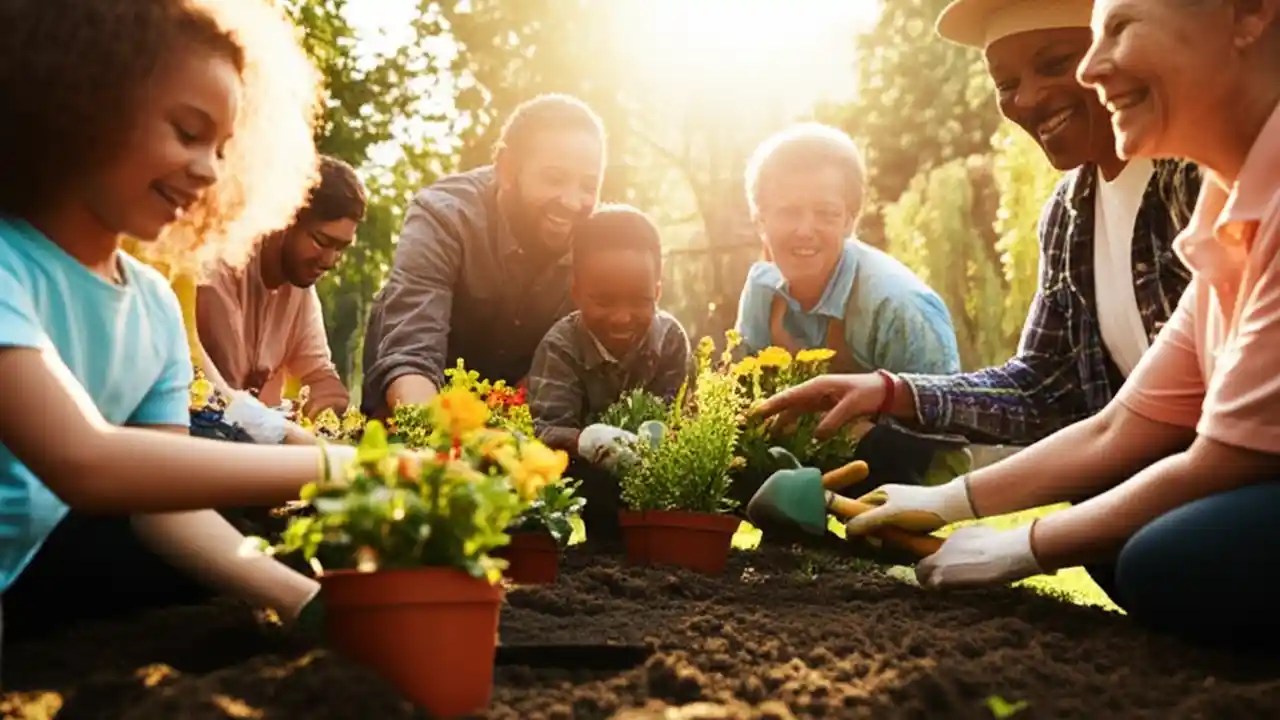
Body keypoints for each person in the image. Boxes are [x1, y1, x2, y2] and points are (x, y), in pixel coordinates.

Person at [828, 0, 1280, 650]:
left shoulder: (1196, 179)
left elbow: (1227, 455)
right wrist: (944, 492)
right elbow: (1109, 416)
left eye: (1115, 32)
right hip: (1216, 479)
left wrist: (1022, 548)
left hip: (1237, 478)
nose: (1097, 69)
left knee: (1168, 558)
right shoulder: (1189, 205)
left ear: (1248, 15)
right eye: (1006, 84)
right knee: (1128, 532)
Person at [0, 0, 358, 648]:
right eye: (188, 133)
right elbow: (84, 461)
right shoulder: (7, 266)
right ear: (80, 100)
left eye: (224, 148)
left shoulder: (156, 305)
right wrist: (345, 468)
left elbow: (167, 514)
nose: (211, 170)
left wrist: (304, 601)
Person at [753, 0, 1200, 459]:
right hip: (1142, 494)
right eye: (1006, 84)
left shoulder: (1191, 178)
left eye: (1054, 64)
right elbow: (1040, 388)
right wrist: (888, 391)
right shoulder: (1067, 217)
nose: (1025, 98)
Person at [360, 94, 607, 418]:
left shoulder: (593, 238)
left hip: (514, 416)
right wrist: (439, 439)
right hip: (415, 404)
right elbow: (411, 356)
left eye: (589, 185)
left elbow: (572, 362)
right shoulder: (443, 217)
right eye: (554, 178)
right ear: (507, 169)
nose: (574, 202)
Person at [734, 122, 962, 376]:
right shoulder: (762, 292)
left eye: (826, 213)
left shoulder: (902, 310)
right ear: (760, 221)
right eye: (789, 212)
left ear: (850, 221)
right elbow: (743, 397)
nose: (805, 230)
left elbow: (941, 412)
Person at [198, 154, 364, 420]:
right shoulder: (219, 266)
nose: (330, 261)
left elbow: (320, 377)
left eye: (340, 248)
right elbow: (226, 384)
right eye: (321, 241)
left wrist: (325, 408)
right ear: (285, 219)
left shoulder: (300, 291)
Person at [528, 204, 691, 455]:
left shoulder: (669, 340)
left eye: (639, 301)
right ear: (577, 293)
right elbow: (548, 431)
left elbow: (679, 418)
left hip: (658, 476)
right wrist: (593, 443)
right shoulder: (560, 348)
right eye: (604, 302)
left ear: (657, 292)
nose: (622, 318)